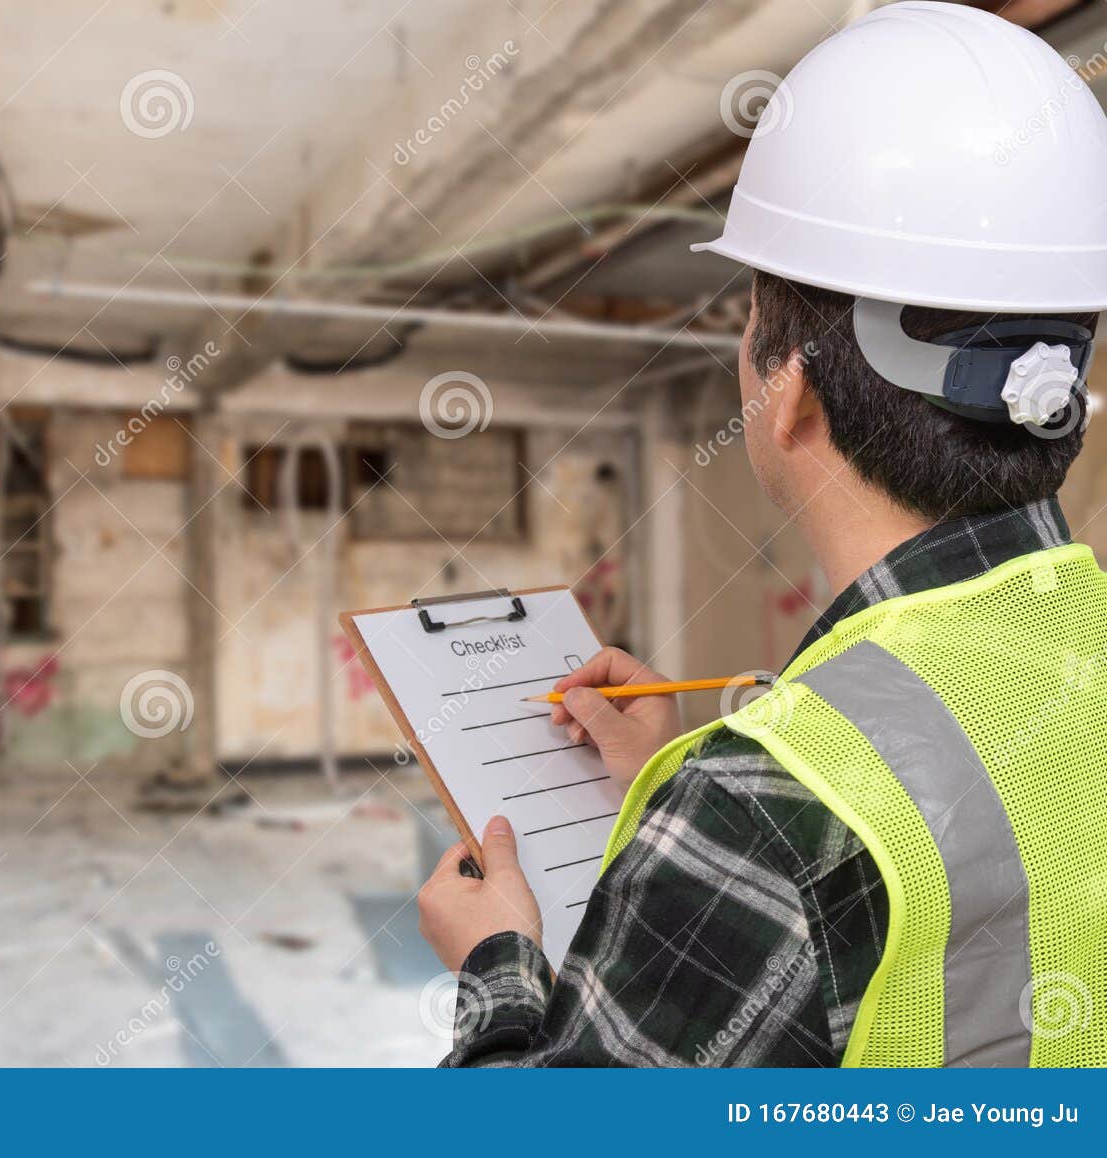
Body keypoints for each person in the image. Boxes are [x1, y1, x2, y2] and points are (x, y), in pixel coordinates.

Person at [418, 1, 1107, 1067]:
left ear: (784, 394)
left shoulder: (766, 807)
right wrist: (685, 792)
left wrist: (497, 963)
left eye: (745, 323)